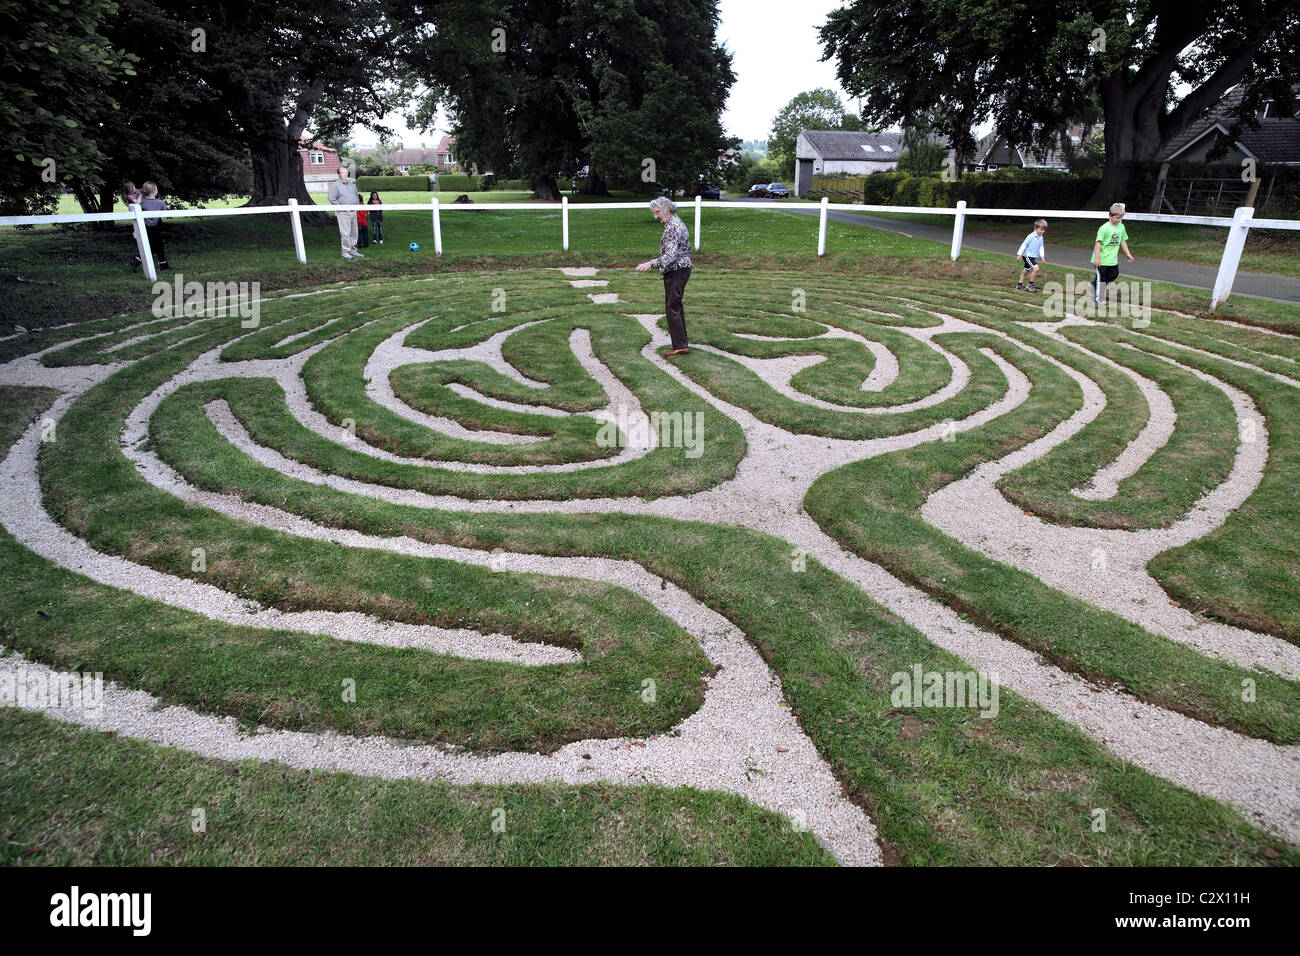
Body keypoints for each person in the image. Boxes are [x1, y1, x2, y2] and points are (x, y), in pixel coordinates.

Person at [635, 197, 692, 356]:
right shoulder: (675, 222)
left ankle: (680, 346)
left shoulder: (673, 226)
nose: (656, 216)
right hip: (681, 269)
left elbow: (671, 256)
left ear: (667, 210)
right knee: (675, 305)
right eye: (655, 213)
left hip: (677, 270)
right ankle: (680, 343)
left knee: (672, 306)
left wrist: (651, 263)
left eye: (658, 212)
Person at [1090, 202, 1134, 304]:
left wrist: (1128, 253)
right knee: (1102, 279)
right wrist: (1097, 258)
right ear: (1110, 215)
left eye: (1121, 218)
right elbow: (1098, 243)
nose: (1119, 220)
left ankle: (1093, 286)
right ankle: (1098, 298)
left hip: (1112, 260)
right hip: (1102, 259)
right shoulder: (1104, 228)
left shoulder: (1121, 227)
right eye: (1117, 218)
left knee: (1114, 274)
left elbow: (1123, 240)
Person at [328, 166, 362, 259]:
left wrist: (356, 206)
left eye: (346, 173)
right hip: (343, 213)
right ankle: (345, 253)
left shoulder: (352, 184)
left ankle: (353, 251)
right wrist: (342, 207)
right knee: (345, 233)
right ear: (339, 174)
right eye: (343, 173)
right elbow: (331, 198)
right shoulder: (335, 185)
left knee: (354, 233)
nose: (345, 175)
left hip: (353, 211)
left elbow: (356, 196)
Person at [138, 181, 170, 271]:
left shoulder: (141, 202)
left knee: (157, 245)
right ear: (154, 191)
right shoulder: (160, 203)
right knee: (155, 246)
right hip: (156, 227)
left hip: (145, 227)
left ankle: (163, 264)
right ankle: (137, 259)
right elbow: (166, 214)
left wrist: (140, 195)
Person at [1015, 218, 1047, 292]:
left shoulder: (1041, 237)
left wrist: (1042, 256)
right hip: (1027, 256)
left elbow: (1041, 247)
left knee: (1025, 271)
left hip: (1032, 256)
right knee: (1036, 268)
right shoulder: (1031, 236)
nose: (1043, 231)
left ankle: (1019, 285)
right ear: (1035, 228)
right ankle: (1030, 285)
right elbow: (1024, 244)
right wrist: (1019, 254)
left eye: (1044, 230)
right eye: (1041, 229)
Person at [122, 180, 145, 270]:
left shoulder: (132, 194)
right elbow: (137, 202)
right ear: (130, 189)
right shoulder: (129, 196)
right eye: (134, 187)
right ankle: (137, 259)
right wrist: (141, 195)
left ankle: (138, 259)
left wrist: (141, 191)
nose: (135, 188)